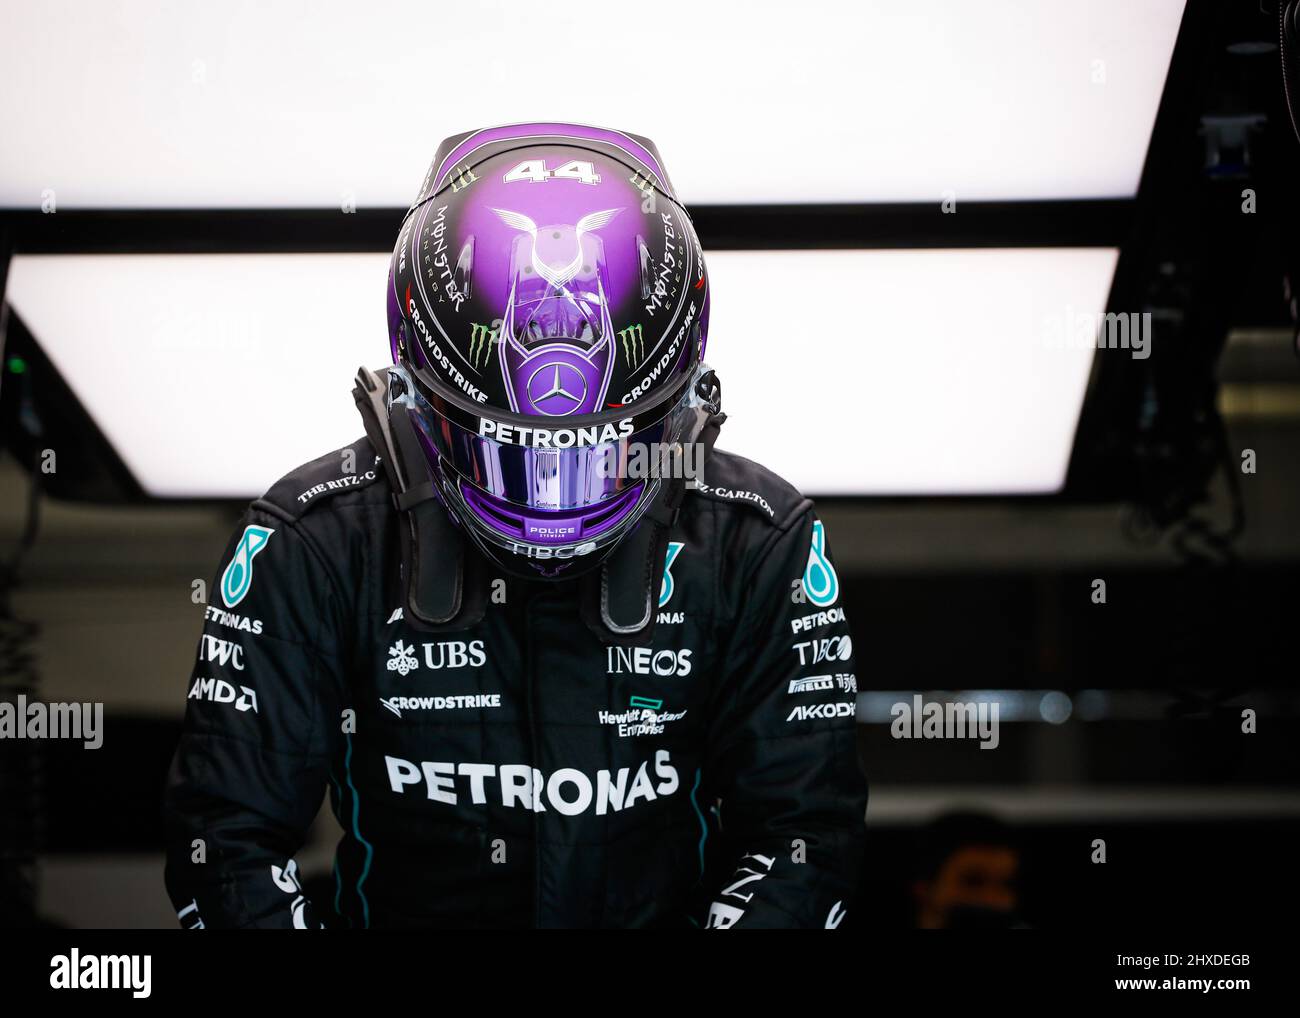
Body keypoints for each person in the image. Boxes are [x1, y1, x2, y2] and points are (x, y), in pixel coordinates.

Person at [163, 123, 867, 929]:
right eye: (512, 455)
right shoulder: (315, 541)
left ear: (679, 414)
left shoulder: (756, 543)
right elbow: (223, 845)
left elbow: (805, 841)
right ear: (419, 396)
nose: (551, 500)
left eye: (599, 459)